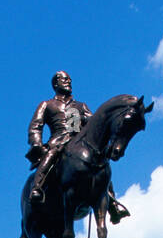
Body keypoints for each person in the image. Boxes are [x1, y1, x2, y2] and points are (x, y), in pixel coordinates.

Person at [27, 71, 129, 222]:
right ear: (56, 84)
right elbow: (36, 126)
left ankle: (112, 203)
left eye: (69, 79)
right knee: (50, 156)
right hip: (59, 140)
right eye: (64, 79)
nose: (68, 82)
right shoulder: (47, 105)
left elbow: (95, 123)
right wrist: (37, 144)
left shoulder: (80, 106)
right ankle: (37, 188)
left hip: (79, 142)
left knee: (100, 165)